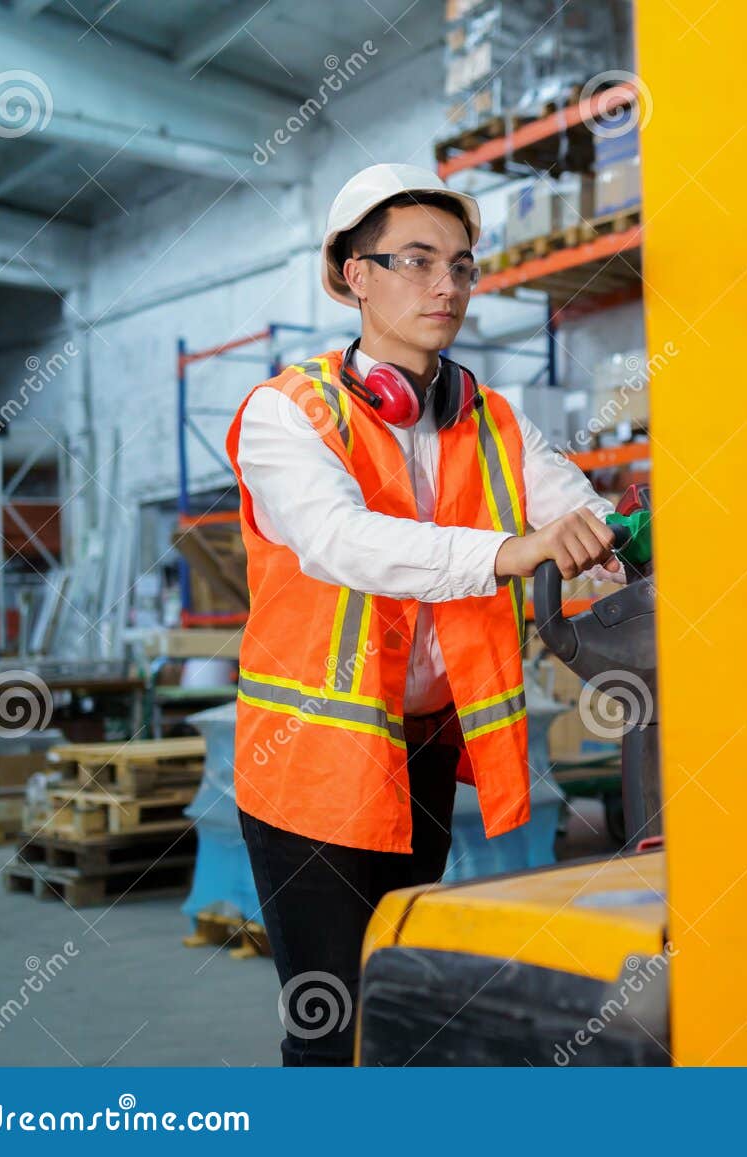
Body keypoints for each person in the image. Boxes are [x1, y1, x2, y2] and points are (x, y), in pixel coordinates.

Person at [225, 163, 622, 1066]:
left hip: (422, 751)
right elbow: (340, 540)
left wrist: (621, 535)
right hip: (310, 762)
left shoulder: (490, 418)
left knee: (405, 999)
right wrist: (504, 550)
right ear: (353, 274)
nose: (446, 285)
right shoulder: (290, 415)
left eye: (463, 264)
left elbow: (579, 514)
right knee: (332, 1018)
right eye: (414, 260)